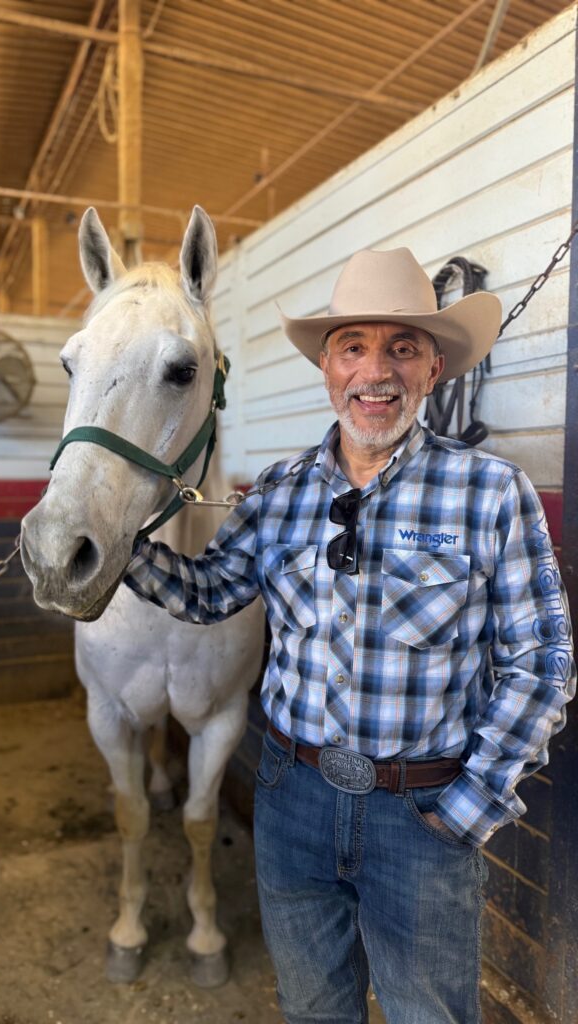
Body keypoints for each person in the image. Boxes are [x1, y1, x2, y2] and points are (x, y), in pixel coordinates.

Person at [123, 247, 576, 1024]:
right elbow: (207, 594)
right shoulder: (280, 494)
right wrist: (112, 546)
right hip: (290, 799)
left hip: (423, 815)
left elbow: (543, 662)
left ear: (435, 370)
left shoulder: (492, 495)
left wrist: (471, 806)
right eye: (354, 347)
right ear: (327, 368)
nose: (377, 371)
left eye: (403, 347)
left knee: (428, 1015)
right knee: (311, 1009)